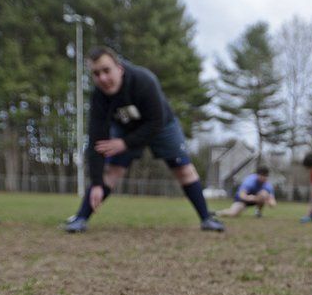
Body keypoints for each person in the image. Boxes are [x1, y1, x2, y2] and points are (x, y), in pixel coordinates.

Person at [63, 46, 224, 233]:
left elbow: (155, 123)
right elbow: (97, 143)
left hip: (162, 125)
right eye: (96, 74)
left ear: (119, 68)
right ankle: (81, 218)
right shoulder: (99, 97)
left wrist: (124, 143)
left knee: (183, 169)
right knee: (111, 172)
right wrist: (97, 183)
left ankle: (206, 219)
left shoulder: (144, 81)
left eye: (106, 70)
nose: (103, 78)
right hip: (125, 128)